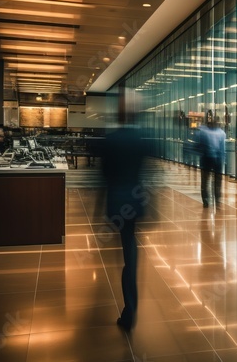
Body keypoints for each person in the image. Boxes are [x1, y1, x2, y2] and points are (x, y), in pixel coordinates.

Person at [100, 95, 150, 331]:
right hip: (135, 201)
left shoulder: (110, 140)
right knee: (130, 250)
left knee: (127, 253)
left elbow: (105, 176)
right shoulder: (141, 140)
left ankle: (129, 309)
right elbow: (146, 173)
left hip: (117, 203)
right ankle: (130, 305)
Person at [197, 115, 226, 208]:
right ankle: (214, 200)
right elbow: (222, 148)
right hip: (213, 159)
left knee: (207, 181)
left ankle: (210, 200)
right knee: (214, 181)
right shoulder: (220, 133)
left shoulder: (204, 131)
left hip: (209, 159)